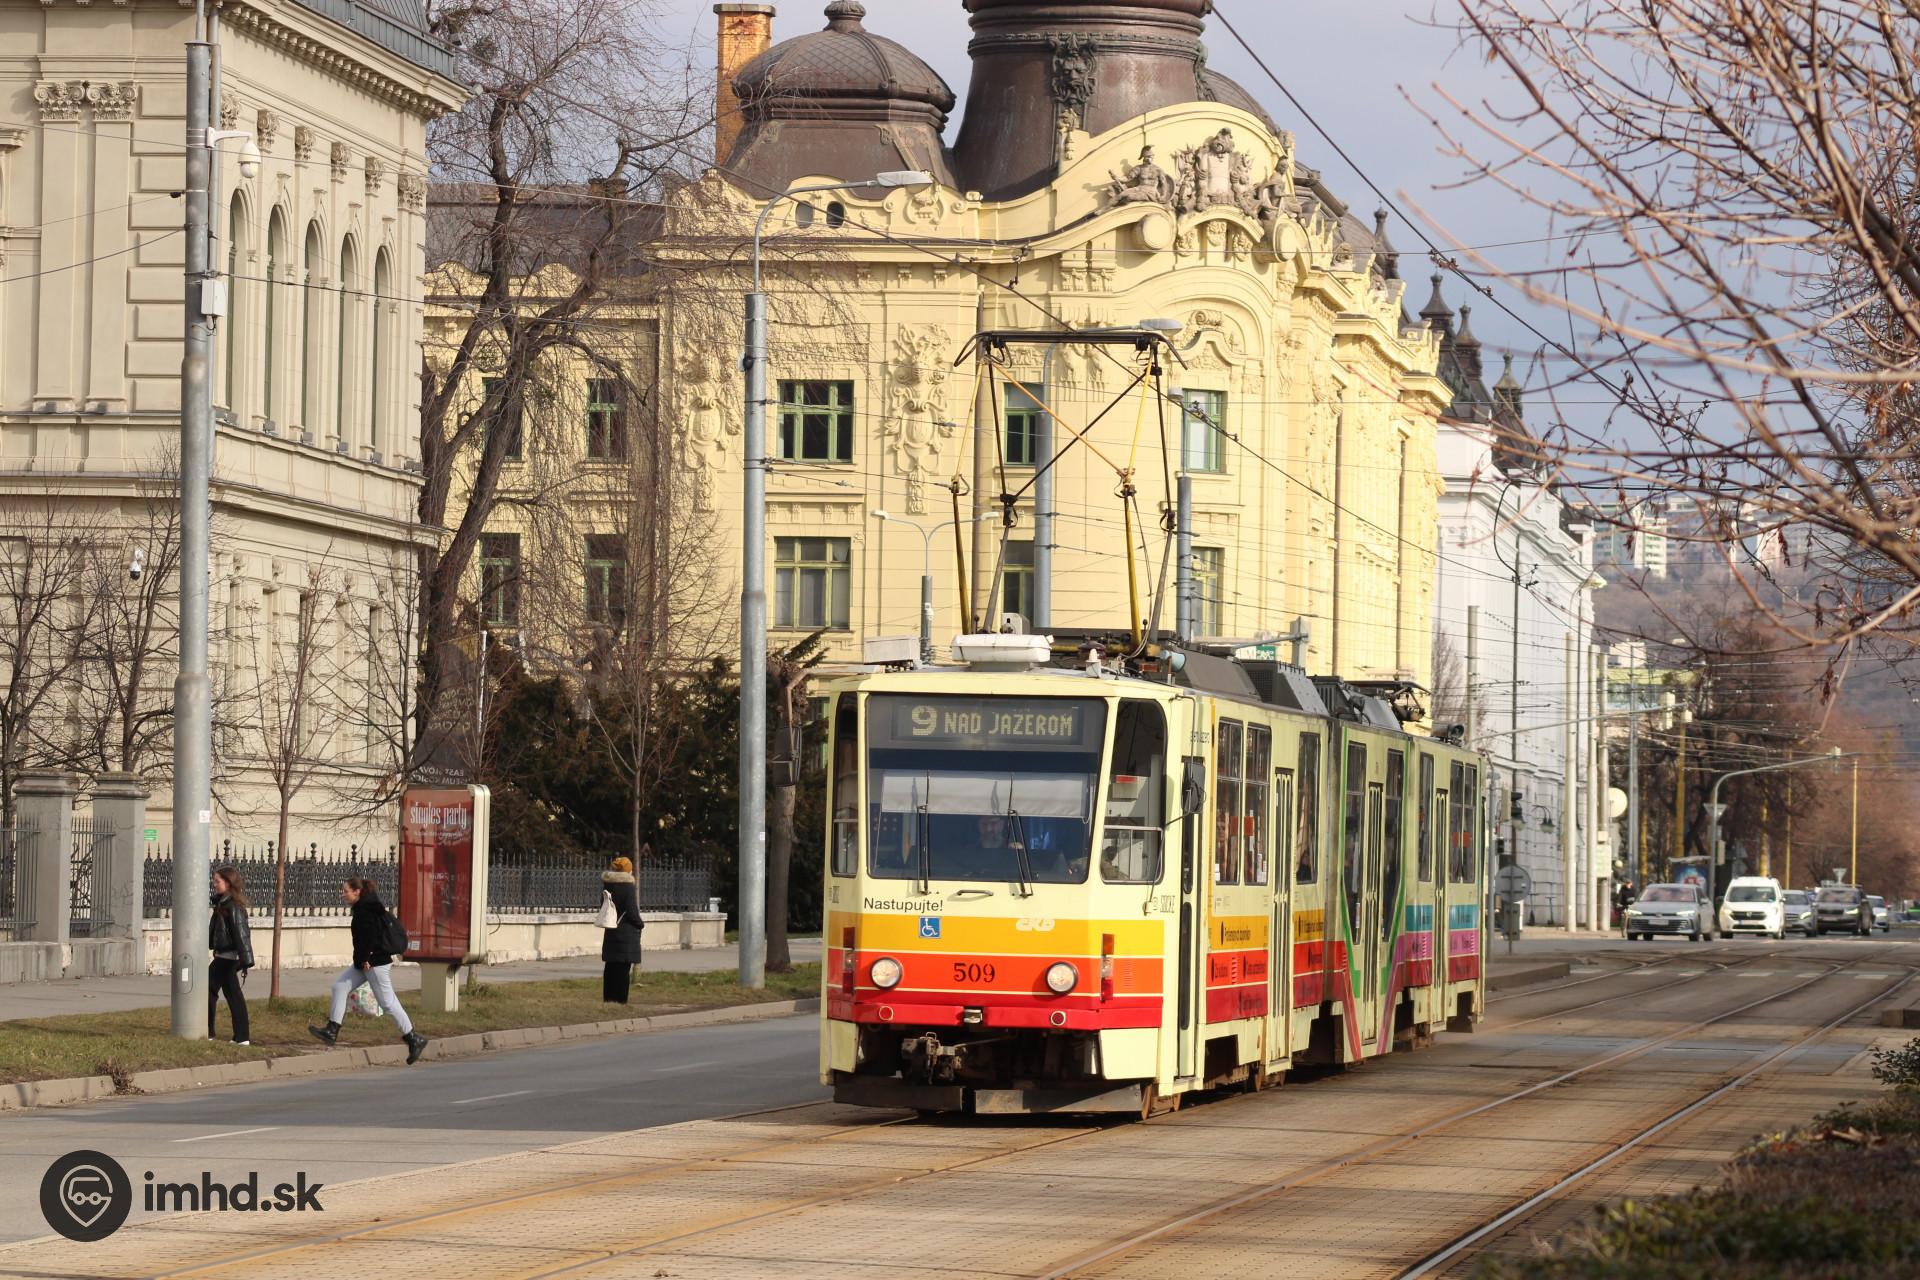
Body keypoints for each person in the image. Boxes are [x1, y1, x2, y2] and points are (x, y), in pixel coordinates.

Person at [308, 878, 429, 1065]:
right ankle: (332, 1030)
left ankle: (413, 1038)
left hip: (374, 964)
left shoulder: (366, 909)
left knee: (387, 1003)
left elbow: (371, 937)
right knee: (340, 987)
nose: (343, 894)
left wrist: (366, 958)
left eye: (346, 891)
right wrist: (362, 959)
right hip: (365, 962)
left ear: (357, 891)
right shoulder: (365, 906)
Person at [208, 866, 253, 1044]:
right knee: (233, 995)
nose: (214, 884)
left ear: (228, 883)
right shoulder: (223, 904)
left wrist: (246, 960)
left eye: (217, 881)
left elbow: (241, 934)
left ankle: (208, 1032)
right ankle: (241, 1038)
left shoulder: (232, 906)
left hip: (227, 958)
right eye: (214, 880)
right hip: (224, 956)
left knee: (208, 990)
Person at [600, 856, 644, 1003]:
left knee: (610, 968)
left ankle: (608, 999)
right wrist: (640, 924)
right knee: (623, 970)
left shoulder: (607, 885)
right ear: (628, 871)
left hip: (611, 930)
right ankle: (620, 1000)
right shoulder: (628, 887)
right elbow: (632, 912)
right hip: (626, 933)